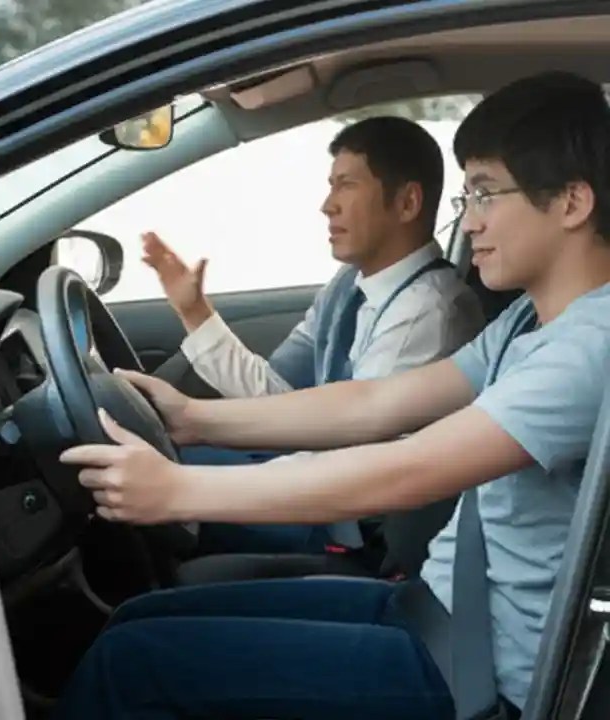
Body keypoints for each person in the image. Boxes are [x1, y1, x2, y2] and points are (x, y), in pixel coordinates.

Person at [54, 70, 610, 719]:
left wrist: (179, 491)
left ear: (572, 202)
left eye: (486, 195)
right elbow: (372, 404)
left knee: (132, 664)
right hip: (434, 609)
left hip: (480, 674)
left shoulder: (590, 347)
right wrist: (193, 419)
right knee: (135, 622)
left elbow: (411, 468)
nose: (469, 221)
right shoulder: (527, 320)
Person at [143, 115, 484, 557]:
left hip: (349, 525)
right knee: (168, 467)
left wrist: (189, 470)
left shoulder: (428, 312)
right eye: (330, 185)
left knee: (163, 481)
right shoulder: (349, 287)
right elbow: (274, 397)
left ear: (406, 203)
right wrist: (194, 312)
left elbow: (355, 443)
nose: (328, 204)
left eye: (346, 185)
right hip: (320, 478)